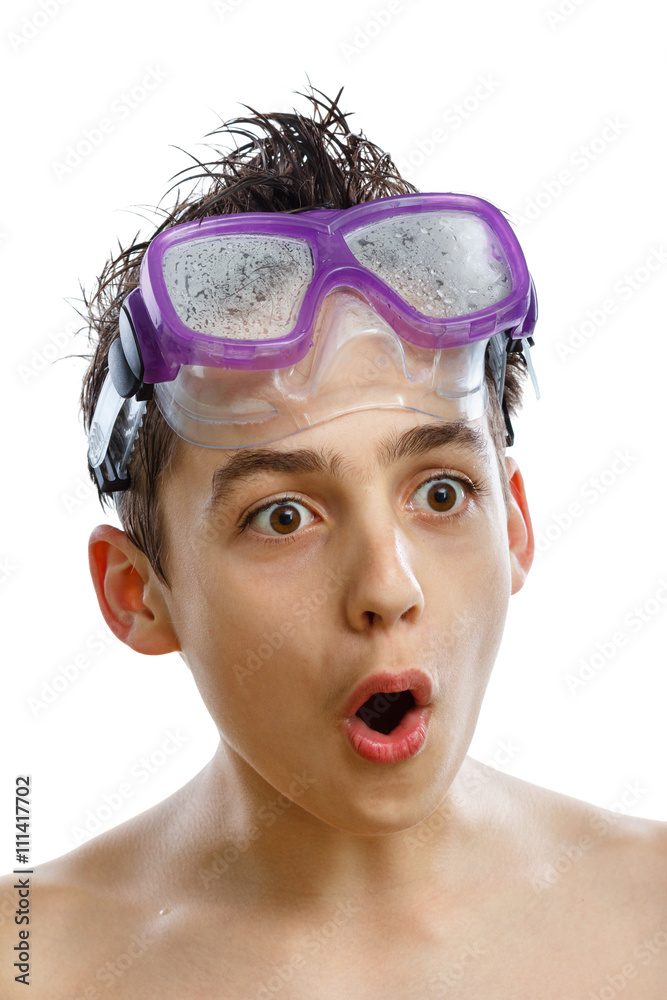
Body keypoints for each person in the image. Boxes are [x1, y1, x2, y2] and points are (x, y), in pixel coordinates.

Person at [2, 86, 665, 999]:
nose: (386, 588)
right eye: (282, 516)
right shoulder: (31, 963)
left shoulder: (651, 916)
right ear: (137, 592)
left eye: (439, 492)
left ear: (512, 523)